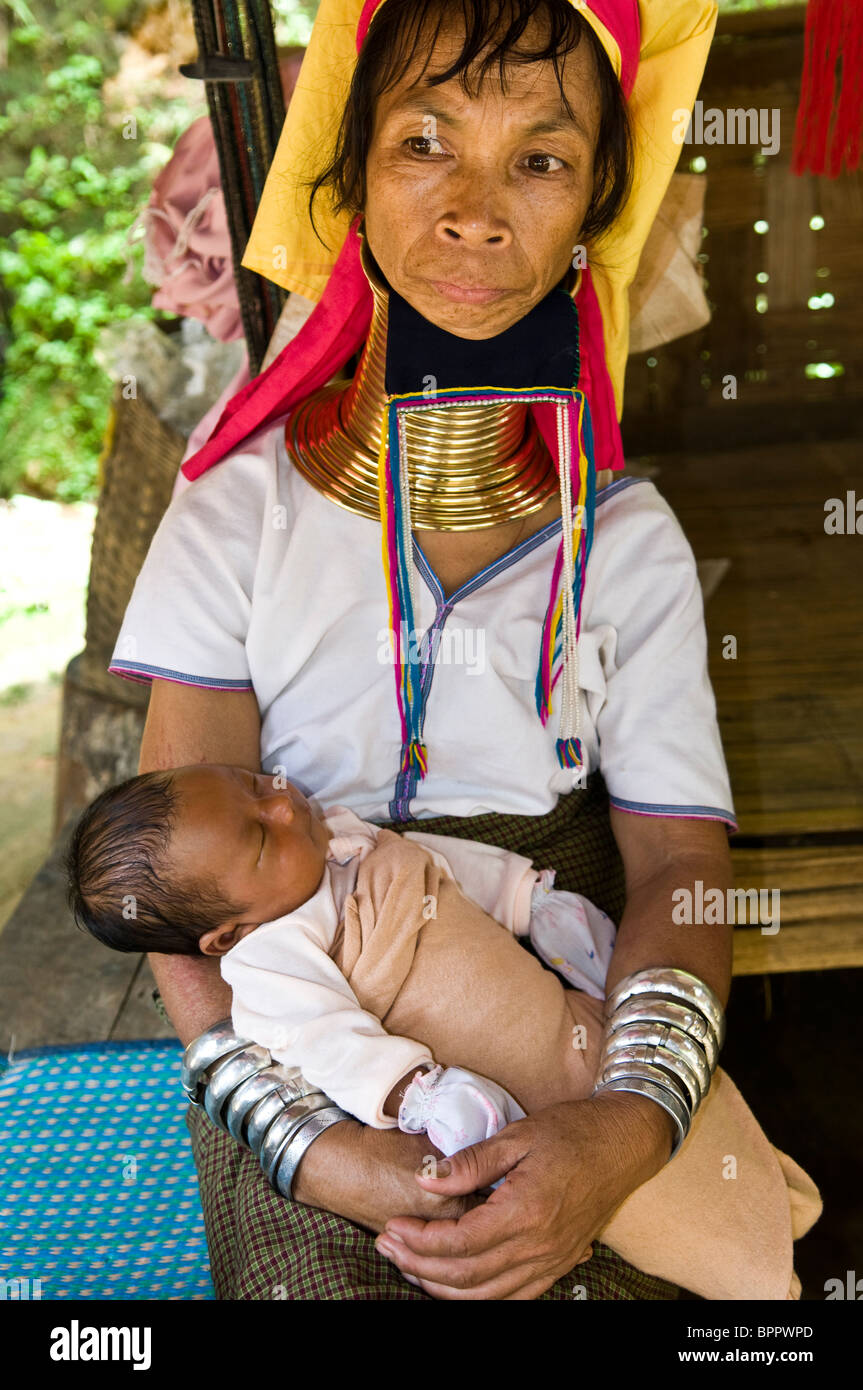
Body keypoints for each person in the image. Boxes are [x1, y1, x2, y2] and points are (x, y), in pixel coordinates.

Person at [107, 0, 821, 1300]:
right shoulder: (237, 514)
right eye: (424, 143)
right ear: (348, 181)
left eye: (539, 160)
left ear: (594, 211)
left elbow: (675, 863)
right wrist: (313, 1148)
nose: (475, 211)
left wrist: (628, 1120)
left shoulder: (627, 540)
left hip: (559, 968)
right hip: (306, 1009)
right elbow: (184, 880)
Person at [67, 761, 817, 1300]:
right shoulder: (270, 963)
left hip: (558, 1017)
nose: (284, 805)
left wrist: (529, 899)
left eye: (258, 784)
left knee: (670, 1112)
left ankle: (758, 1196)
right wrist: (416, 1095)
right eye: (261, 837)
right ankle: (749, 1275)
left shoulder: (344, 840)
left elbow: (445, 869)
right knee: (630, 1200)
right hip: (500, 1088)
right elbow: (324, 1042)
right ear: (225, 935)